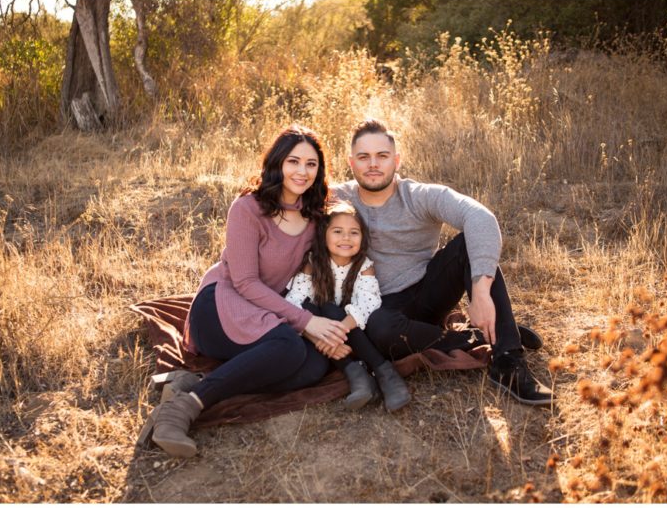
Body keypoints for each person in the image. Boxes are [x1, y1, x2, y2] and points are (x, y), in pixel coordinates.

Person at [140, 125, 351, 458]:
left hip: (268, 312)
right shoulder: (248, 209)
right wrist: (306, 323)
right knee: (289, 346)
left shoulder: (315, 217)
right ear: (277, 162)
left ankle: (195, 383)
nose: (302, 171)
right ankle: (182, 410)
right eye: (294, 161)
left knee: (313, 367)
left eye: (311, 164)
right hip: (220, 306)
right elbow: (245, 282)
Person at [330, 119, 554, 406]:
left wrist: (480, 293)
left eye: (382, 156)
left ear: (396, 160)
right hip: (380, 308)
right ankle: (481, 336)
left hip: (427, 293)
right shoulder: (337, 198)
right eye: (363, 157)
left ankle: (508, 359)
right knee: (379, 327)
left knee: (467, 245)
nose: (373, 164)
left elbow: (480, 217)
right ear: (351, 162)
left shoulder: (419, 196)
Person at [285, 201, 412, 412]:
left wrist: (339, 331)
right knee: (318, 307)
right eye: (337, 231)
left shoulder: (364, 266)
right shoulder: (312, 263)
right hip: (318, 334)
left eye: (354, 232)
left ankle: (385, 373)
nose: (346, 238)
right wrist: (318, 338)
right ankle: (358, 376)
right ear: (323, 235)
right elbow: (293, 303)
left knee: (333, 310)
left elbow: (369, 303)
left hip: (354, 333)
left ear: (362, 238)